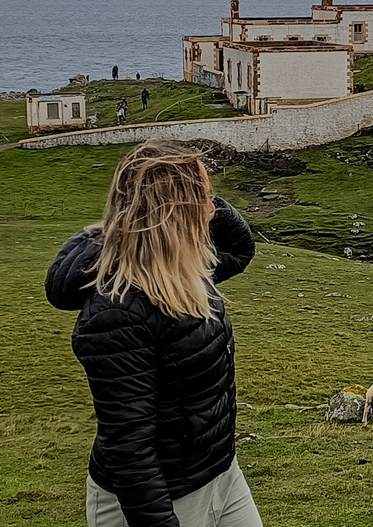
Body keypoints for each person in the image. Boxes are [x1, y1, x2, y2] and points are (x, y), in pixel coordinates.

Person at [46, 141, 261, 527]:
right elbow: (130, 448)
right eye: (203, 197)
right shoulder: (117, 313)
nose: (212, 206)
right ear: (175, 214)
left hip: (220, 474)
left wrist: (211, 202)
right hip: (157, 498)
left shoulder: (187, 271)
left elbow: (241, 251)